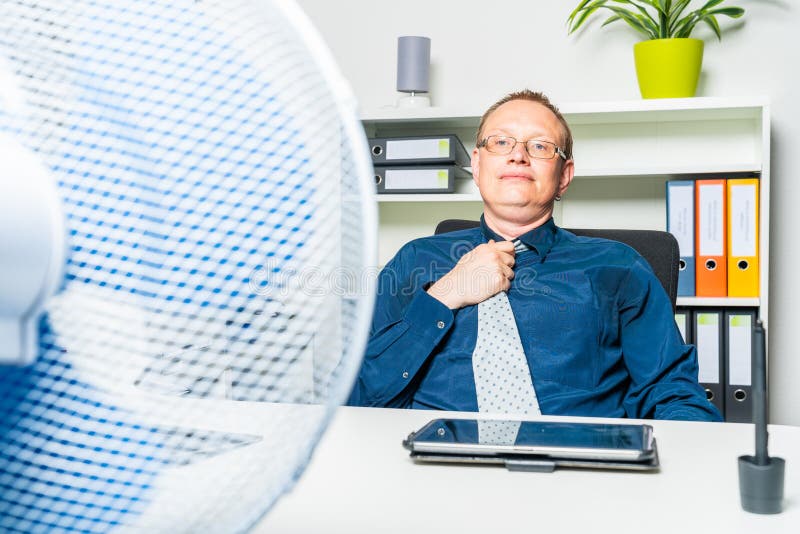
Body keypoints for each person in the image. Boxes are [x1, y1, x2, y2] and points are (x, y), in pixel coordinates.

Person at [349, 89, 721, 421]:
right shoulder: (415, 260)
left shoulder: (620, 268)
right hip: (435, 466)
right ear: (477, 166)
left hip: (578, 469)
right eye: (501, 143)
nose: (518, 156)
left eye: (540, 146)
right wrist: (445, 295)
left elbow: (673, 393)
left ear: (564, 176)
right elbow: (359, 395)